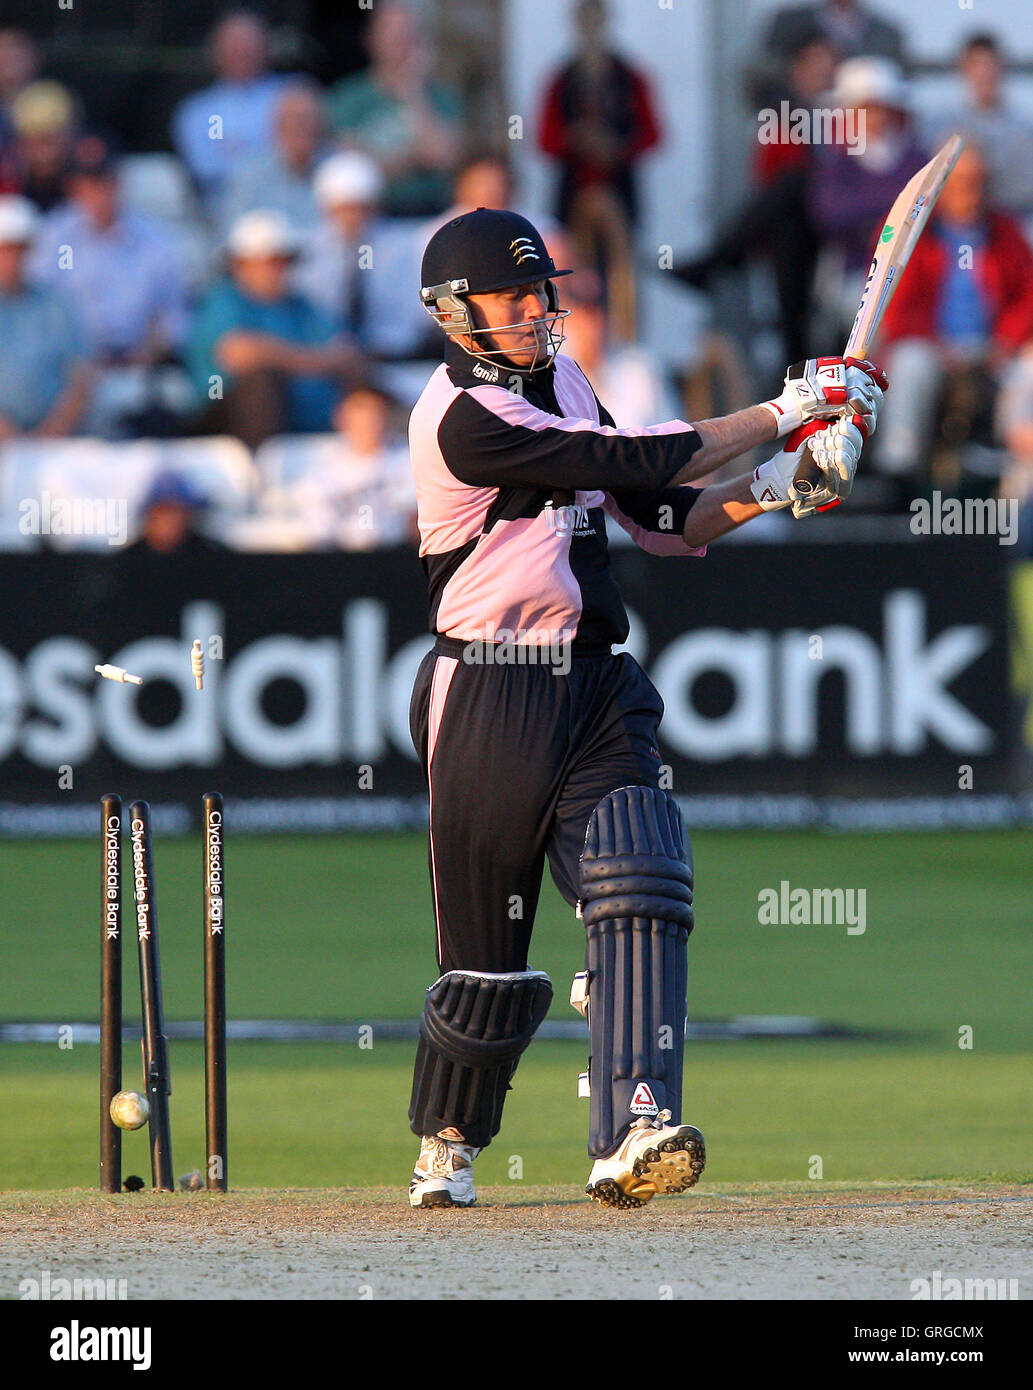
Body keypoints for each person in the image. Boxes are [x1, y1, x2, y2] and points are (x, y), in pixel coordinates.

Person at [404, 207, 885, 1209]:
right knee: (486, 969)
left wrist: (780, 482)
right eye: (512, 297)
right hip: (487, 688)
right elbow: (629, 465)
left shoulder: (565, 382)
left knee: (638, 878)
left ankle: (634, 1129)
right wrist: (786, 406)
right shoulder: (459, 413)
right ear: (456, 314)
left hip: (594, 682)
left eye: (542, 292)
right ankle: (448, 1142)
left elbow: (657, 519)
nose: (537, 310)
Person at [874, 143, 1033, 492]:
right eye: (960, 183)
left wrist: (1006, 340)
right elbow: (893, 303)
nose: (970, 192)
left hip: (993, 345)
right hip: (933, 345)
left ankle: (1016, 470)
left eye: (978, 182)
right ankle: (898, 466)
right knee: (912, 364)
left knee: (1029, 369)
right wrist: (937, 346)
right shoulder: (913, 232)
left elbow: (1028, 294)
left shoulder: (1004, 232)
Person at [188, 208, 355, 449]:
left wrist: (279, 357)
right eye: (267, 262)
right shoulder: (223, 300)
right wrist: (315, 361)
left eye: (282, 261)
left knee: (362, 386)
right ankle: (261, 470)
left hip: (306, 414)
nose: (277, 270)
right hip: (227, 419)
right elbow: (238, 353)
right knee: (259, 384)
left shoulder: (301, 305)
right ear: (240, 265)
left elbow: (346, 352)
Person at [32, 139, 188, 367]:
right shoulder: (53, 237)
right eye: (89, 183)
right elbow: (38, 305)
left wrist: (156, 348)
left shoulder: (155, 238)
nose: (100, 192)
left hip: (141, 360)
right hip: (72, 363)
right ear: (73, 188)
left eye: (106, 181)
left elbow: (175, 312)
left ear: (119, 182)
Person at [324, 1, 462, 218]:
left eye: (409, 36)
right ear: (371, 40)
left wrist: (413, 93)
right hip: (374, 218)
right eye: (393, 35)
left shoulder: (441, 96)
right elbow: (354, 168)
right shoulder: (347, 97)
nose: (401, 44)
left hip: (433, 213)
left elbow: (444, 159)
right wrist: (415, 160)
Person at [295, 151, 431, 363]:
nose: (353, 217)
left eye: (361, 208)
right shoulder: (306, 251)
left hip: (396, 356)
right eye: (344, 209)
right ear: (326, 209)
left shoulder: (402, 247)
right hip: (329, 361)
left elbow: (415, 313)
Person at [271, 383, 416, 550]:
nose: (369, 421)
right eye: (361, 412)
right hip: (339, 559)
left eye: (376, 412)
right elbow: (316, 531)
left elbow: (415, 519)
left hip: (398, 555)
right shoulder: (320, 468)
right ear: (341, 417)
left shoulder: (408, 460)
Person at [172, 10, 292, 208]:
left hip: (289, 201)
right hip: (225, 209)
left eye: (249, 43)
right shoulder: (202, 111)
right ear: (215, 51)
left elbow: (301, 153)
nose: (241, 51)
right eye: (233, 45)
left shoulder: (291, 94)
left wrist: (240, 151)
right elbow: (208, 167)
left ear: (265, 47)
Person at [0, 194, 90, 440]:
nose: (10, 260)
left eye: (17, 250)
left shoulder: (55, 304)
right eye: (4, 251)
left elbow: (81, 375)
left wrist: (54, 429)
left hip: (56, 439)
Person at [927, 34, 1033, 235]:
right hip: (961, 228)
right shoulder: (940, 126)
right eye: (976, 65)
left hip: (1018, 223)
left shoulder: (1026, 128)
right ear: (962, 69)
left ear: (1003, 67)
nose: (984, 73)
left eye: (991, 65)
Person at [220, 82, 329, 235]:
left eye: (306, 120)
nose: (300, 128)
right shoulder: (248, 174)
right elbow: (233, 234)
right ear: (275, 126)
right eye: (291, 120)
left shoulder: (340, 167)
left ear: (321, 125)